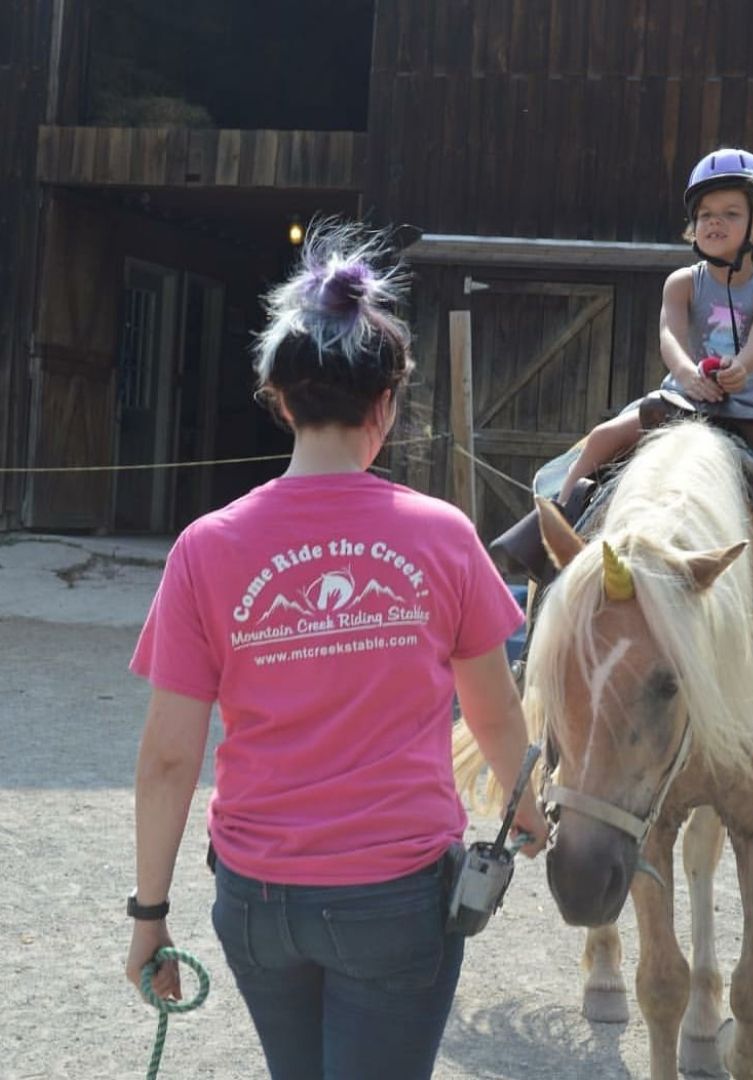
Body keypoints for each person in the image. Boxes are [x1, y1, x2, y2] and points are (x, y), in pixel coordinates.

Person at [124, 220, 549, 1080]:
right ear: (386, 402)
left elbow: (169, 756)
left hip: (255, 901)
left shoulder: (206, 547)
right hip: (395, 899)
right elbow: (493, 712)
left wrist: (149, 915)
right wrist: (529, 808)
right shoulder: (443, 535)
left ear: (280, 401)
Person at [556, 147, 753, 567]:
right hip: (682, 400)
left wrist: (741, 368)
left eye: (730, 213)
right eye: (705, 213)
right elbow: (669, 336)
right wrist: (688, 374)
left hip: (748, 413)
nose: (714, 221)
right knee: (601, 439)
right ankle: (554, 547)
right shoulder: (682, 283)